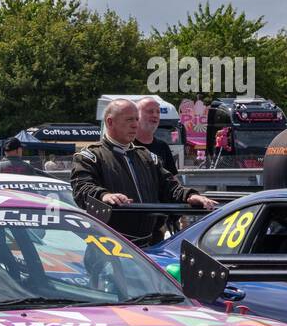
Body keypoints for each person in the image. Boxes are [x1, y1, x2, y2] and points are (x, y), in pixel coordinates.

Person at [71, 98, 217, 247]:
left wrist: (190, 196)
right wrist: (104, 196)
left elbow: (170, 186)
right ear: (110, 122)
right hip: (107, 248)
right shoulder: (90, 157)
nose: (135, 124)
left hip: (150, 246)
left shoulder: (147, 156)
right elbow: (82, 188)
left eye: (136, 119)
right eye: (129, 120)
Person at [135, 96, 178, 176]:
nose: (155, 115)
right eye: (150, 111)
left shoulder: (163, 147)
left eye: (158, 112)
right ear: (136, 115)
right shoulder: (127, 146)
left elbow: (173, 181)